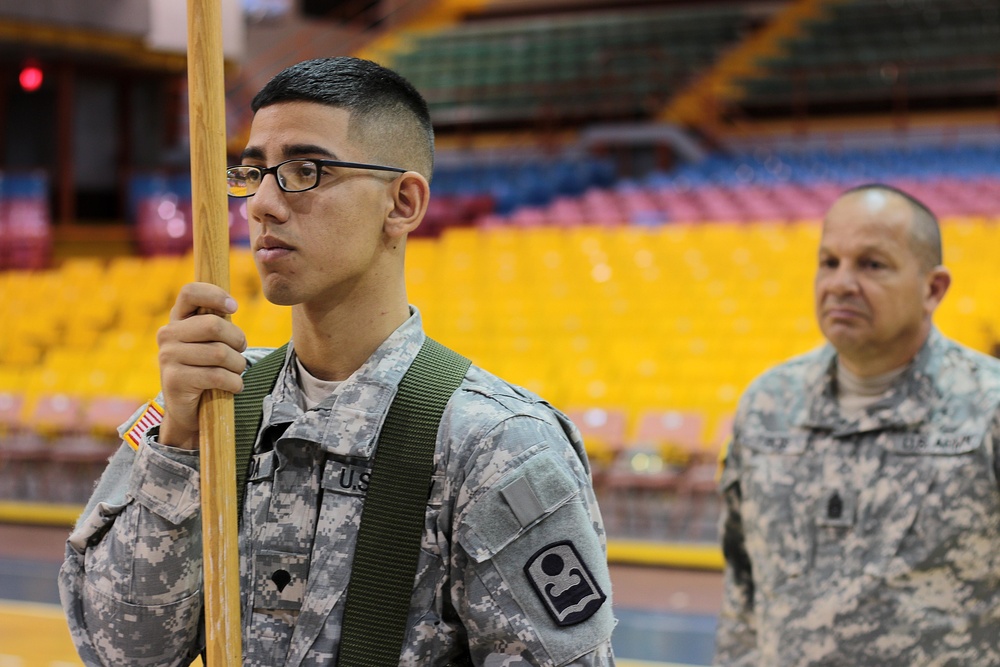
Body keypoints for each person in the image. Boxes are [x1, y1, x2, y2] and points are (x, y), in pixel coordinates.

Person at [59, 57, 615, 666]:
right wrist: (180, 446)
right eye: (253, 173)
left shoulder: (496, 447)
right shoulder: (211, 406)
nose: (262, 204)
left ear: (402, 203)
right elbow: (125, 655)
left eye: (305, 170)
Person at [714, 183, 1000, 666]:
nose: (841, 283)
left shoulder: (988, 406)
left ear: (933, 288)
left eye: (872, 264)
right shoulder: (768, 403)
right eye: (829, 262)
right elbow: (743, 587)